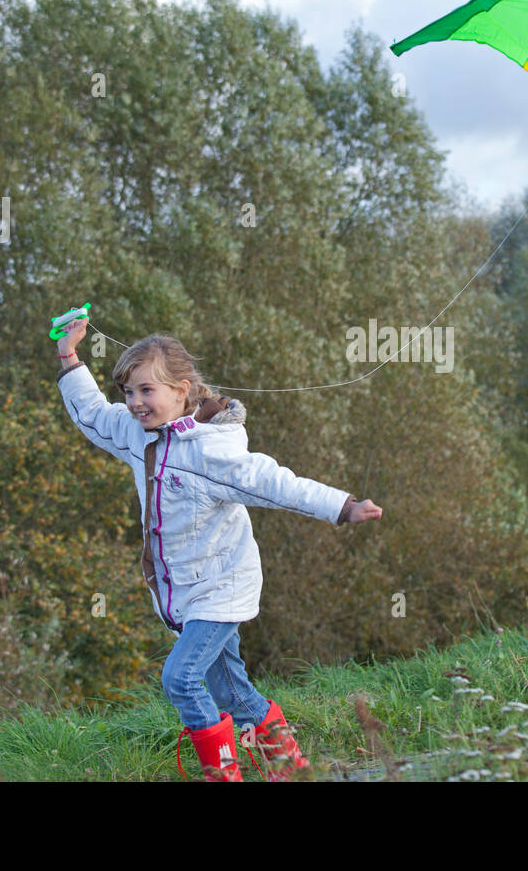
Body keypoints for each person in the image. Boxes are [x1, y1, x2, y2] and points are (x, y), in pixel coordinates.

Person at [54, 319, 382, 781]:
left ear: (181, 389)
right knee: (231, 692)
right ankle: (292, 771)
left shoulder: (212, 452)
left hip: (222, 589)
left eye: (147, 390)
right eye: (128, 392)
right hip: (185, 593)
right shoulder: (136, 433)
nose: (134, 403)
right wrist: (69, 358)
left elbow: (275, 484)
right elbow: (91, 412)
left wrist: (342, 506)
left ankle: (222, 775)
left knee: (181, 679)